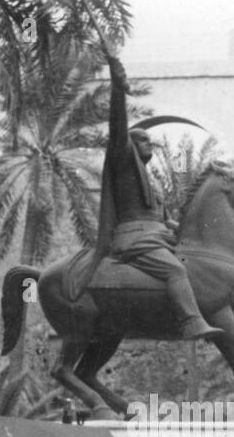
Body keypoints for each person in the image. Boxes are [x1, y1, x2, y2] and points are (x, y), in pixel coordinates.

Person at [76, 53, 221, 342]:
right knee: (175, 270)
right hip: (135, 238)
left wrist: (173, 225)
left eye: (150, 140)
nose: (149, 143)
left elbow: (162, 217)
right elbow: (118, 125)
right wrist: (118, 87)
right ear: (129, 143)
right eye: (142, 139)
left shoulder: (149, 179)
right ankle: (192, 322)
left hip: (158, 236)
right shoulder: (122, 161)